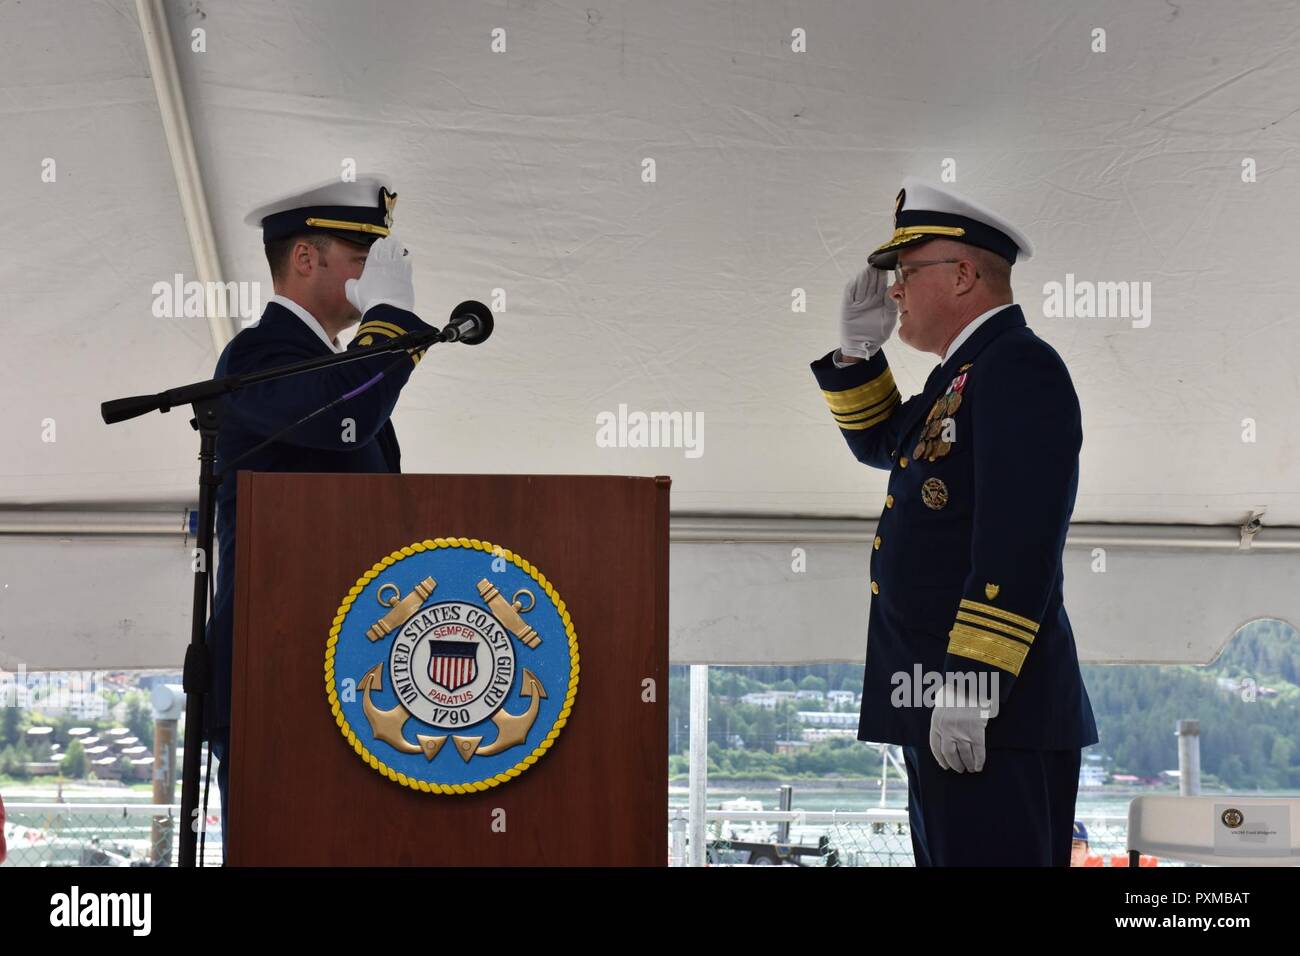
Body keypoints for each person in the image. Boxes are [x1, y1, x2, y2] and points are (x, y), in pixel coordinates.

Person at [810, 177, 1097, 866]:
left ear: (964, 274)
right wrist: (856, 357)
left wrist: (971, 686)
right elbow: (887, 445)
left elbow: (1016, 548)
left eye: (906, 273)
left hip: (991, 711)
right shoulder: (962, 375)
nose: (895, 292)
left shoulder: (1019, 368)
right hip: (951, 705)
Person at [204, 176, 436, 858]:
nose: (378, 272)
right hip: (275, 667)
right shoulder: (257, 357)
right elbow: (347, 415)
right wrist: (391, 322)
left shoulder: (324, 366)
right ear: (306, 259)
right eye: (364, 253)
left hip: (340, 664)